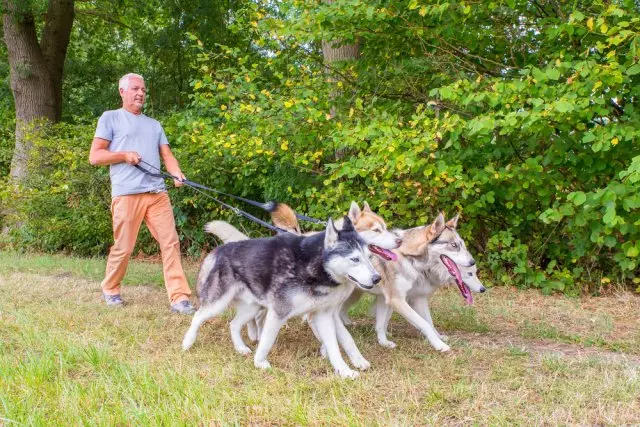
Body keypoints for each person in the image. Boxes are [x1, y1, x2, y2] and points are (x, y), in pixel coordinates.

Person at [89, 73, 195, 314]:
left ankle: (179, 297)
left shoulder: (154, 125)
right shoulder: (110, 118)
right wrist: (124, 155)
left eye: (143, 90)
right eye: (135, 89)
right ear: (121, 91)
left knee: (170, 243)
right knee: (124, 247)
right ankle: (111, 288)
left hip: (157, 193)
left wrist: (176, 173)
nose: (140, 93)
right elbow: (95, 156)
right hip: (127, 194)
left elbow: (167, 156)